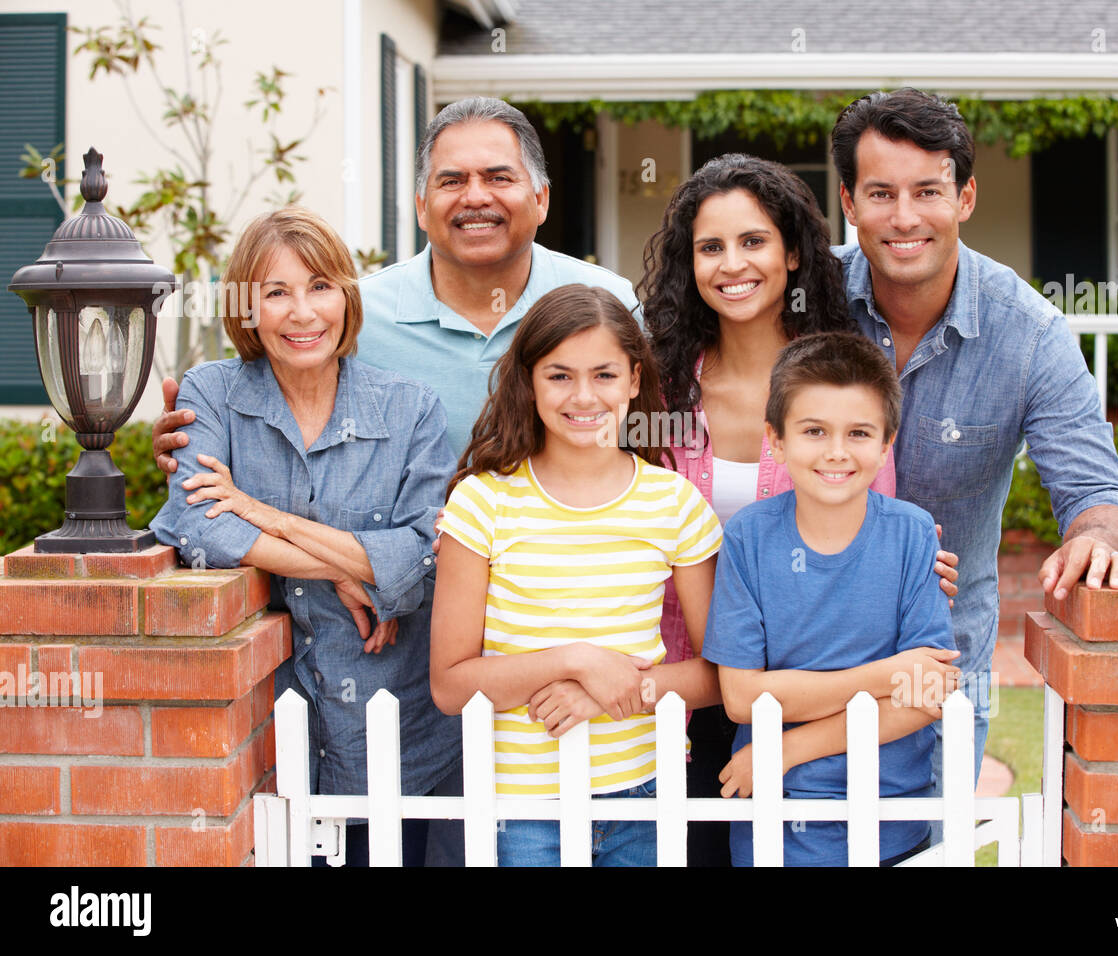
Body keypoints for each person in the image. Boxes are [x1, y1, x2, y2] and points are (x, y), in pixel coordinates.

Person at [640, 152, 959, 865]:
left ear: (790, 252)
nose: (733, 263)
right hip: (680, 693)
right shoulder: (659, 393)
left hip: (804, 696)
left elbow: (872, 534)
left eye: (753, 241)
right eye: (710, 247)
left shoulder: (834, 391)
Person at [830, 88, 1118, 775]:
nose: (905, 217)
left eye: (928, 191)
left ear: (965, 198)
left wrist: (1096, 543)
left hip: (946, 663)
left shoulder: (1030, 333)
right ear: (849, 204)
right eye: (880, 194)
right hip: (802, 652)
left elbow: (1098, 491)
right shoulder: (803, 298)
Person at [149, 206, 461, 866]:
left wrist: (262, 512)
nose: (302, 313)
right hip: (268, 738)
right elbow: (199, 527)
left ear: (347, 296)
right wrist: (340, 569)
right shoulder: (212, 393)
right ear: (247, 307)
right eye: (276, 292)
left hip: (399, 734)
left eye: (320, 286)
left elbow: (418, 558)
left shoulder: (411, 409)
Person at [152, 95, 638, 466]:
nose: (474, 197)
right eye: (451, 181)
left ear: (541, 199)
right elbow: (263, 412)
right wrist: (197, 432)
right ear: (422, 207)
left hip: (569, 580)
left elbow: (663, 441)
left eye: (498, 177)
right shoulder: (351, 316)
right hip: (398, 590)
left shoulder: (611, 305)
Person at [431, 284, 722, 866]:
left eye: (605, 375)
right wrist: (578, 661)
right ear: (529, 381)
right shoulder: (483, 503)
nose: (583, 396)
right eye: (559, 375)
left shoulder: (674, 503)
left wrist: (618, 692)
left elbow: (721, 674)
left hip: (642, 797)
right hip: (522, 809)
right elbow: (450, 686)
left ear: (635, 380)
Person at [702, 331, 960, 866]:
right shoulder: (749, 538)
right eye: (814, 431)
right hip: (775, 823)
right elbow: (743, 699)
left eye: (859, 433)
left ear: (887, 443)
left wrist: (784, 748)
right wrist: (886, 675)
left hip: (890, 820)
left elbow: (927, 694)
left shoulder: (912, 536)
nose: (837, 452)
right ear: (775, 440)